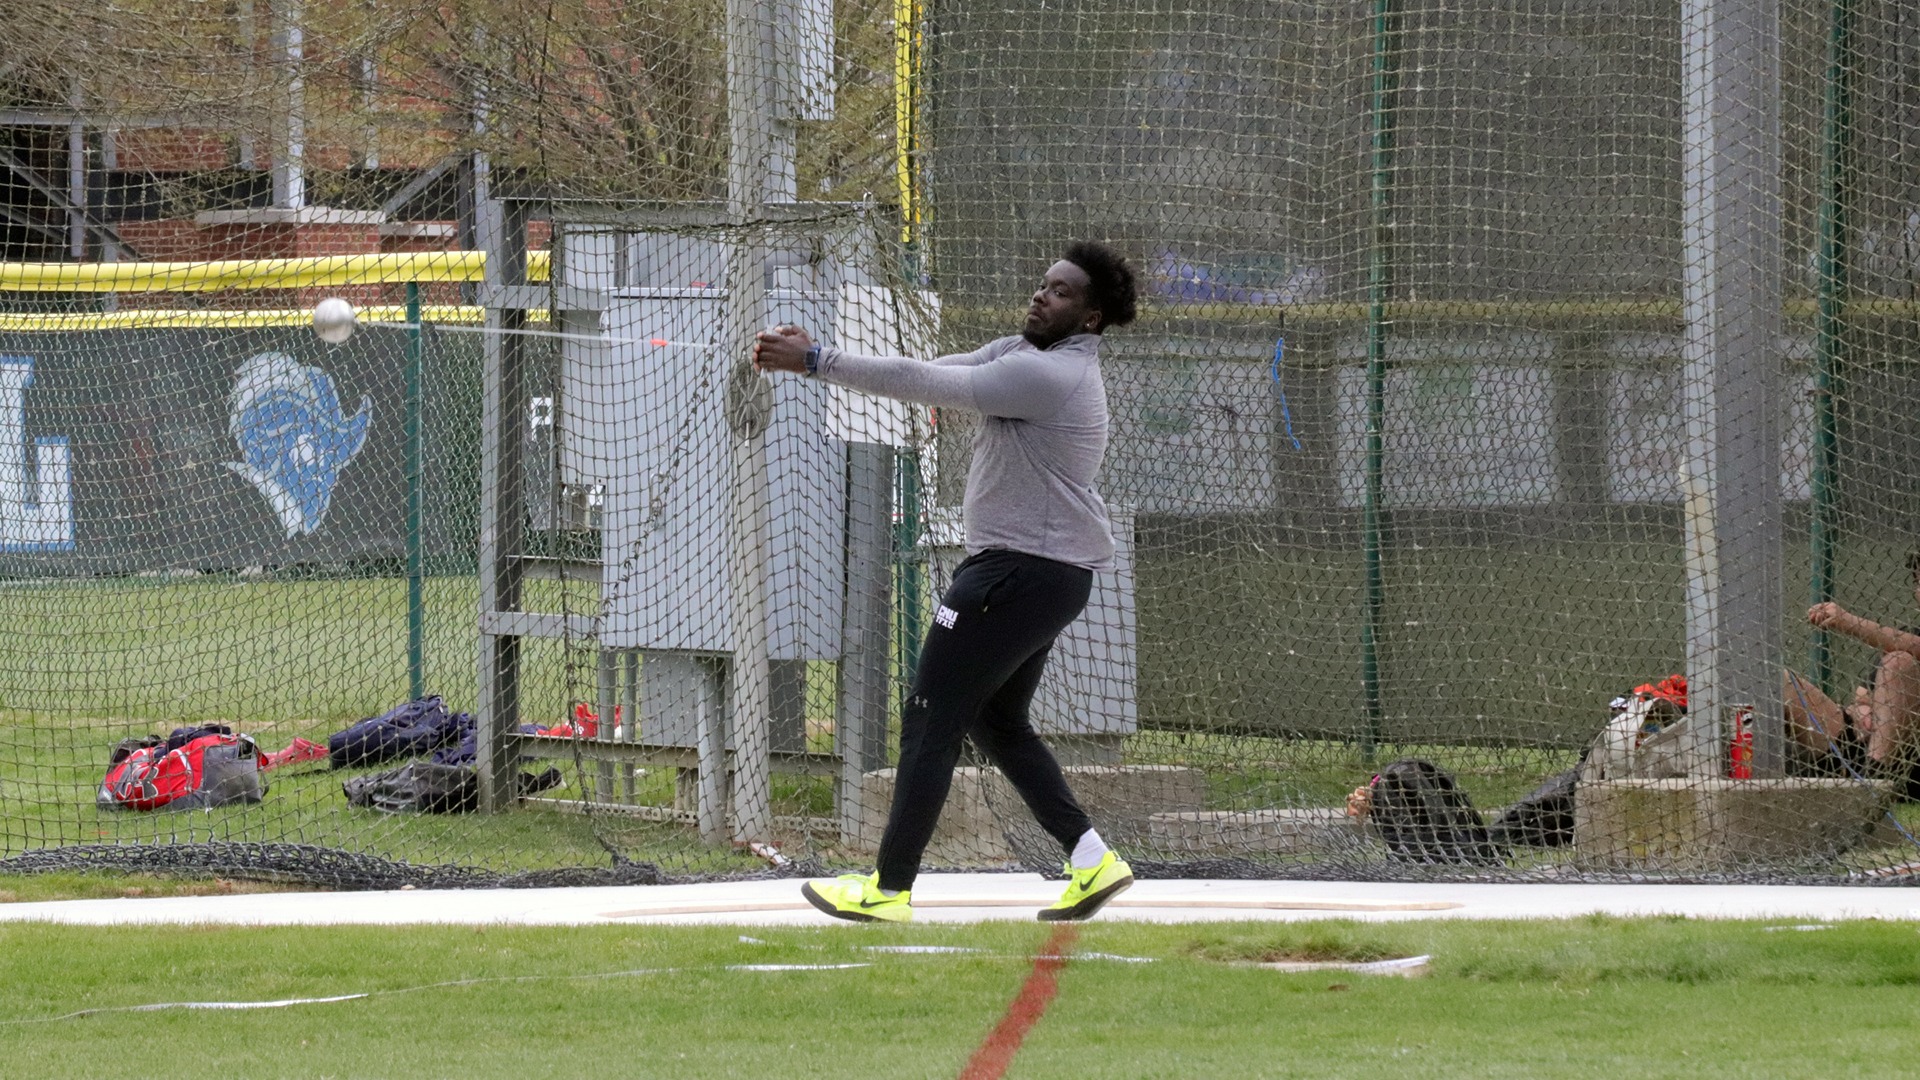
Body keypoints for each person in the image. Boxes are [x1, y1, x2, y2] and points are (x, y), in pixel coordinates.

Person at [753, 241, 1139, 923]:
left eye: (1061, 292)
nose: (1041, 296)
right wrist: (822, 360)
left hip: (1015, 574)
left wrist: (814, 361)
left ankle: (888, 888)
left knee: (929, 716)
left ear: (1091, 319)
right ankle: (1091, 860)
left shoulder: (1048, 377)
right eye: (1043, 283)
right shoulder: (1025, 356)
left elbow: (927, 384)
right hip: (1044, 574)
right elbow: (930, 373)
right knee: (995, 719)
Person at [1783, 551, 1920, 799]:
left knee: (1899, 661)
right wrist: (1863, 711)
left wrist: (1849, 622)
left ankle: (1876, 782)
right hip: (1859, 754)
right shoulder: (1906, 634)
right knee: (1783, 681)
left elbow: (1914, 649)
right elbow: (1863, 697)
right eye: (1918, 582)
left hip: (1906, 768)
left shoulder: (1904, 646)